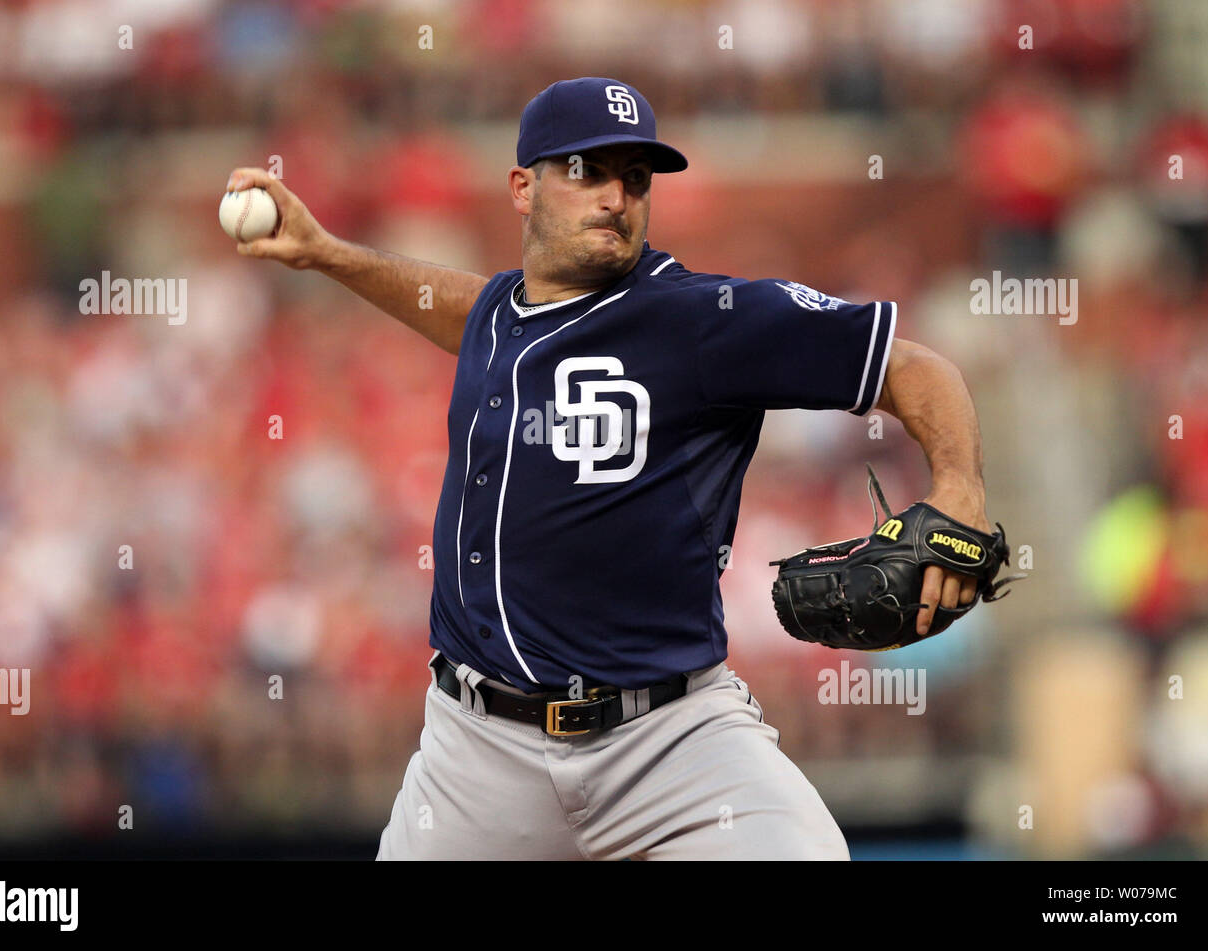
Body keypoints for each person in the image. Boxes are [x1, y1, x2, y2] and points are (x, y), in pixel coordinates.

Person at [225, 77, 994, 860]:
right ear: (522, 188)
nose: (615, 196)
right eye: (585, 171)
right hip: (478, 754)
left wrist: (959, 488)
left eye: (634, 177)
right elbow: (461, 306)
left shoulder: (702, 321)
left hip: (672, 740)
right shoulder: (499, 318)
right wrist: (328, 254)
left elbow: (914, 368)